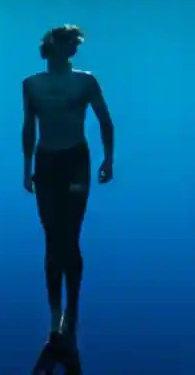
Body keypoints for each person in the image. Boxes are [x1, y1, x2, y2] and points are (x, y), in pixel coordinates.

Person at [22, 24, 114, 354]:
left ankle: (70, 310)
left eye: (74, 43)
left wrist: (108, 160)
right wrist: (27, 167)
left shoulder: (85, 81)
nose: (73, 47)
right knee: (52, 237)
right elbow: (28, 128)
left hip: (76, 163)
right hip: (47, 165)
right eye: (69, 42)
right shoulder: (31, 84)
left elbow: (105, 120)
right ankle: (55, 312)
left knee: (69, 235)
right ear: (53, 46)